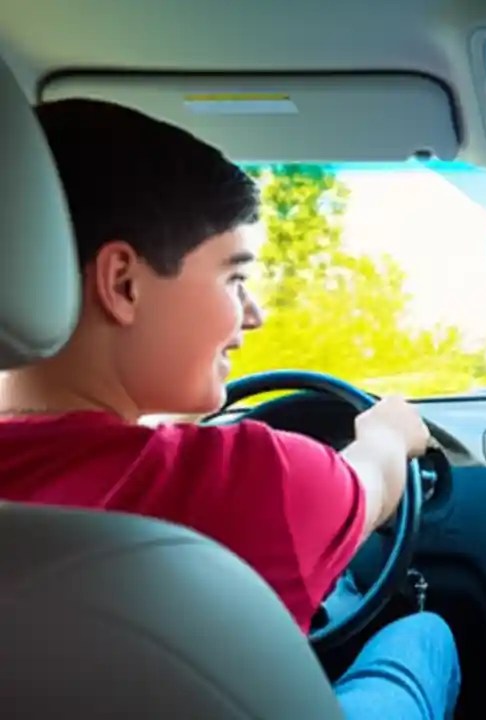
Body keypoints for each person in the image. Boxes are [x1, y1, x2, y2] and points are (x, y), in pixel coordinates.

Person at [0, 98, 459, 720]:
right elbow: (375, 480)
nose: (254, 315)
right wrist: (391, 431)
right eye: (234, 279)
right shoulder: (255, 478)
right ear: (123, 284)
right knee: (424, 639)